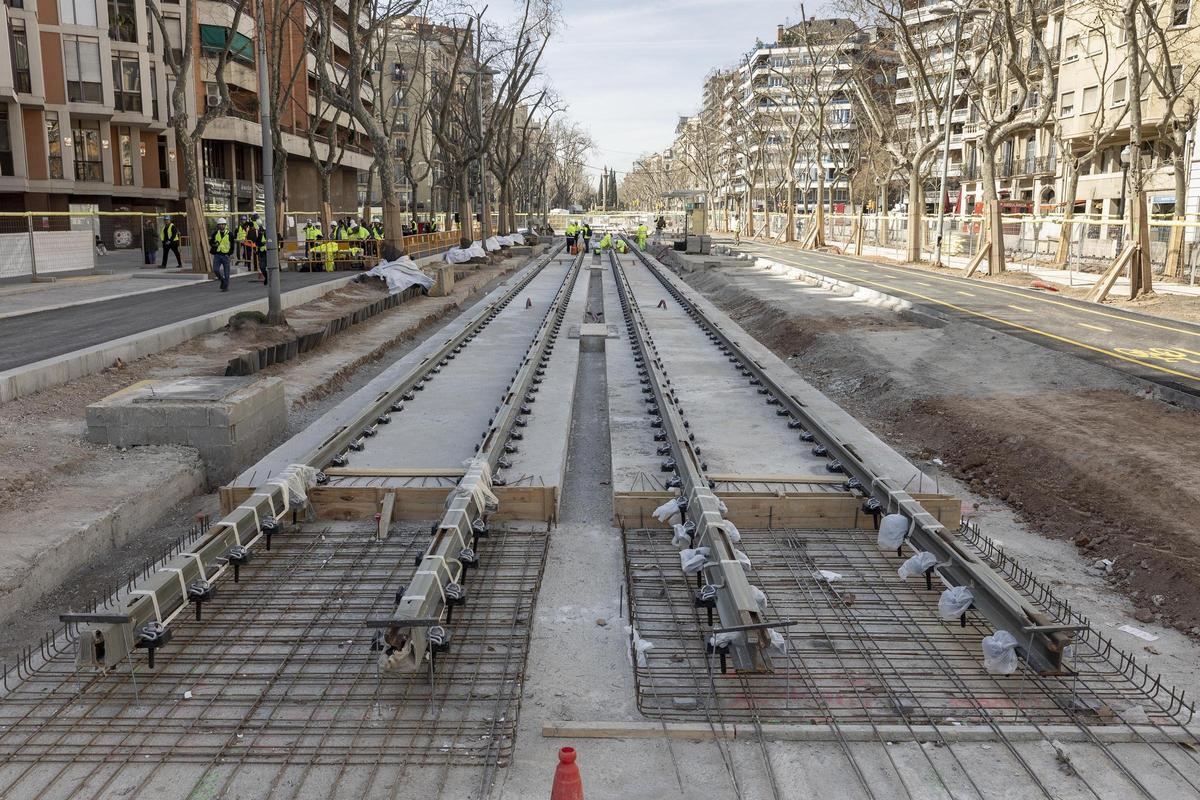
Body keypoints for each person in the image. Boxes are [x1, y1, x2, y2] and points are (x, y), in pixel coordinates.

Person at [210, 217, 234, 291]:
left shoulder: (230, 234)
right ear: (218, 226)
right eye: (220, 225)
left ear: (225, 225)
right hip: (217, 255)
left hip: (226, 255)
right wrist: (214, 244)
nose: (221, 226)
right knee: (215, 270)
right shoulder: (215, 233)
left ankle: (225, 287)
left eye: (223, 224)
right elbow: (211, 242)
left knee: (226, 273)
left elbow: (232, 245)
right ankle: (222, 280)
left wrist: (229, 254)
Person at [242, 218, 266, 284]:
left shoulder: (248, 229)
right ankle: (255, 267)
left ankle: (250, 267)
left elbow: (246, 236)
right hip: (254, 245)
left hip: (249, 245)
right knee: (255, 256)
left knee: (249, 256)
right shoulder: (256, 230)